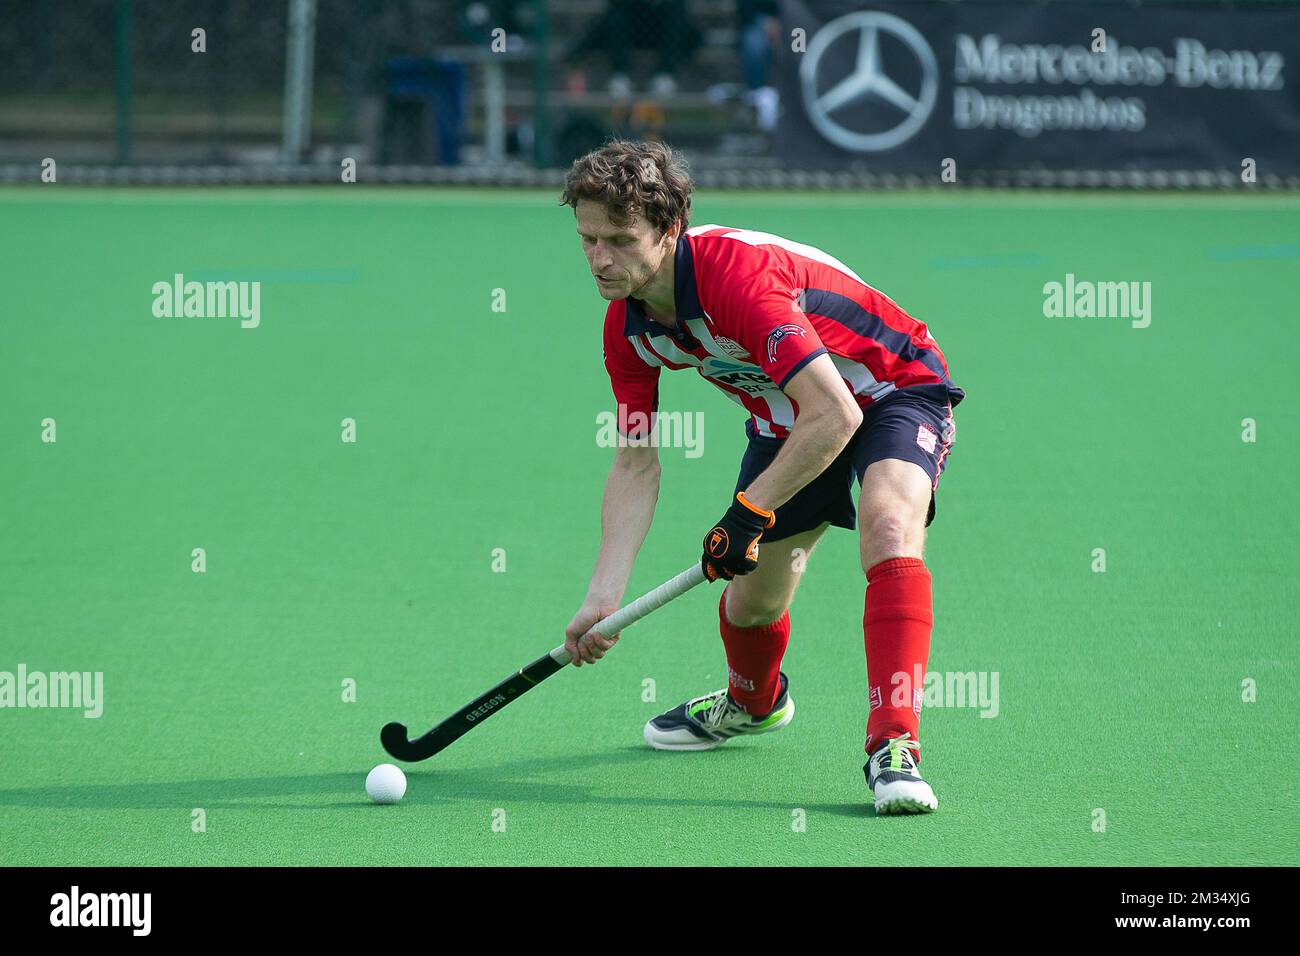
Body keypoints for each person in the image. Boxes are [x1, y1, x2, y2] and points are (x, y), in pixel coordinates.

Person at [558, 140, 964, 815]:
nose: (601, 258)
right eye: (588, 239)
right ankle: (753, 703)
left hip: (890, 387)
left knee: (889, 526)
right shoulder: (628, 328)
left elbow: (836, 412)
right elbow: (635, 459)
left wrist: (746, 512)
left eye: (620, 239)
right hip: (788, 421)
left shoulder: (736, 279)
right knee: (754, 605)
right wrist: (605, 594)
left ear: (668, 229)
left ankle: (894, 747)